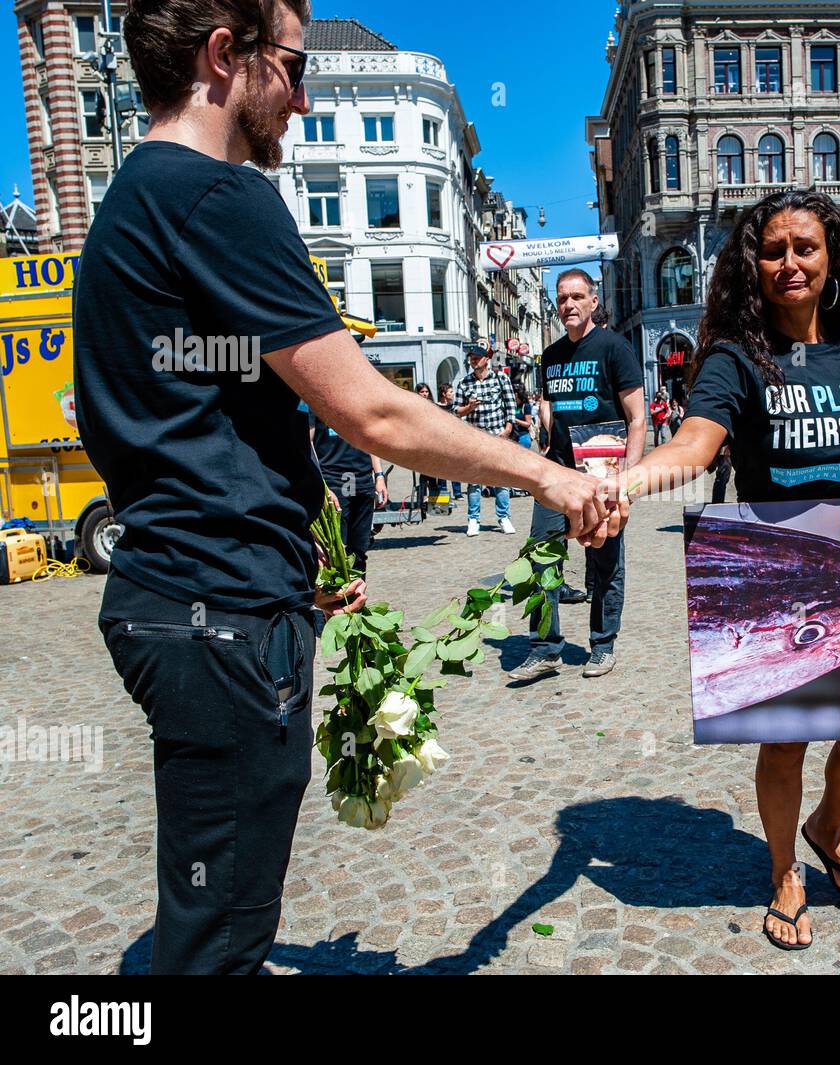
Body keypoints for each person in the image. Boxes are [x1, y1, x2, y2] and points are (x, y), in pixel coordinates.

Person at [73, 0, 622, 977]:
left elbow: (183, 422)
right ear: (220, 56)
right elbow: (374, 415)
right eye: (289, 64)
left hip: (183, 595)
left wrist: (301, 547)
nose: (304, 92)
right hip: (222, 614)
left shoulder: (132, 202)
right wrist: (551, 476)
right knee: (218, 945)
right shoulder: (217, 198)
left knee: (214, 918)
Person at [616, 189, 840, 950]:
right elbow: (697, 444)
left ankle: (826, 824)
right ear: (753, 264)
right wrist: (622, 481)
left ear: (832, 254)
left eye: (805, 246)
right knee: (788, 740)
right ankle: (782, 872)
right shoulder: (737, 357)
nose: (790, 263)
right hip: (784, 567)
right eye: (773, 251)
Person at [509, 268, 646, 681]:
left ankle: (602, 645)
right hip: (556, 476)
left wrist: (630, 479)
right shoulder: (549, 357)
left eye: (576, 297)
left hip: (602, 475)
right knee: (541, 558)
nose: (568, 304)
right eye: (562, 297)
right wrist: (546, 441)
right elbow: (551, 406)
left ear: (592, 301)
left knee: (604, 561)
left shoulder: (614, 348)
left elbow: (637, 418)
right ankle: (546, 648)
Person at [305, 405, 386, 574]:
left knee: (359, 551)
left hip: (363, 479)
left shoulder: (357, 401)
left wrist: (379, 476)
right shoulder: (315, 402)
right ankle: (340, 598)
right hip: (333, 480)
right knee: (336, 552)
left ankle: (358, 597)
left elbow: (369, 438)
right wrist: (321, 484)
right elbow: (308, 443)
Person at [454, 347, 518, 534]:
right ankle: (473, 520)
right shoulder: (464, 383)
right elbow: (455, 411)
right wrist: (469, 408)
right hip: (476, 437)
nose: (474, 361)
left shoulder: (500, 379)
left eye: (477, 358)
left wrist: (508, 429)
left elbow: (510, 404)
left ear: (486, 360)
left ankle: (504, 517)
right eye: (471, 358)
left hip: (498, 435)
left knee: (501, 478)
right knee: (474, 480)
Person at [434, 382, 463, 501]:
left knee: (455, 467)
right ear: (444, 394)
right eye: (450, 392)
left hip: (453, 440)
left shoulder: (454, 407)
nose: (453, 394)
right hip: (440, 441)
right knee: (442, 468)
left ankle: (457, 492)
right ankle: (443, 492)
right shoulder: (436, 407)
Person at [511, 381, 534, 451]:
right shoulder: (513, 405)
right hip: (513, 437)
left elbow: (528, 424)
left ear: (516, 394)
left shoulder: (526, 406)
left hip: (523, 437)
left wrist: (515, 420)